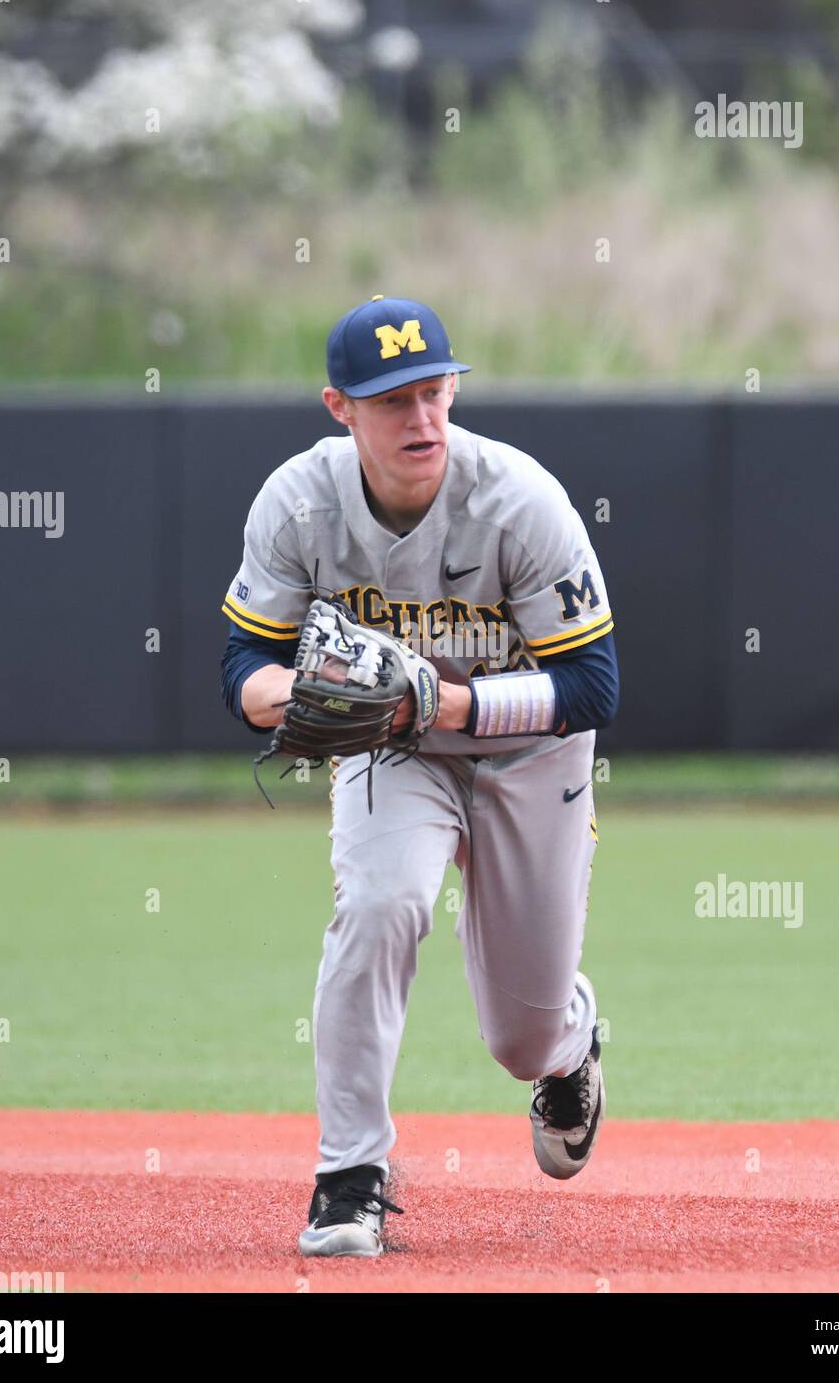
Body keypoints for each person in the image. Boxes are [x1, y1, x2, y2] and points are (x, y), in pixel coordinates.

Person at [220, 296, 620, 1257]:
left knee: (517, 1039)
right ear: (339, 409)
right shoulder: (297, 503)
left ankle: (568, 1044)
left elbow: (594, 684)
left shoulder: (517, 500)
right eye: (392, 400)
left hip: (528, 755)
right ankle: (348, 1177)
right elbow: (244, 670)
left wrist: (450, 706)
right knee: (379, 906)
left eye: (435, 390)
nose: (422, 418)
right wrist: (302, 693)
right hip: (391, 753)